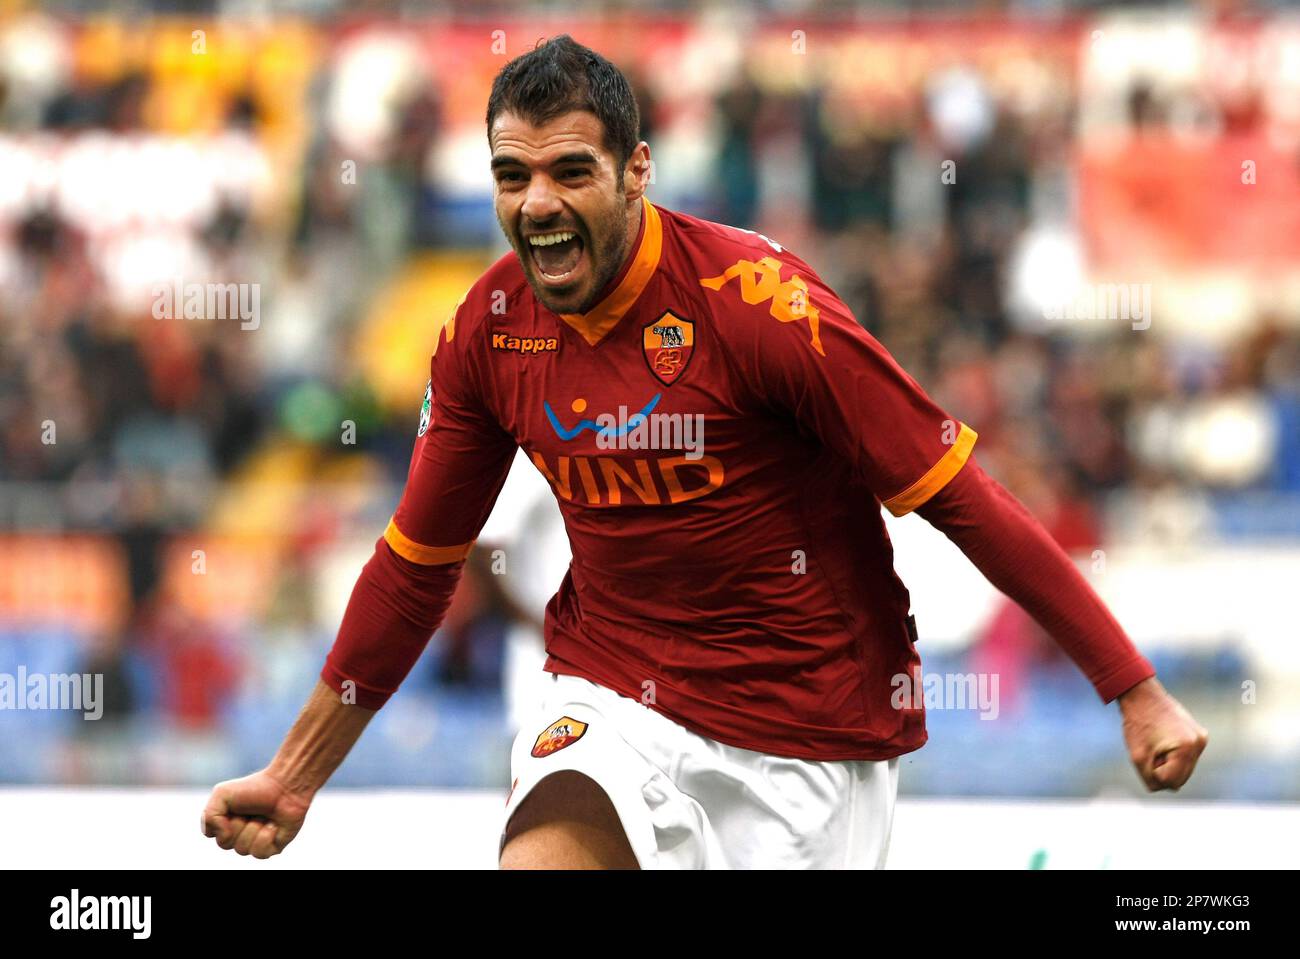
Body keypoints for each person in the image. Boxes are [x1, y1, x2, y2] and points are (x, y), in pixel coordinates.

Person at [201, 35, 1207, 869]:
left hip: (808, 732)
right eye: (512, 176)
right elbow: (414, 568)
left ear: (637, 169)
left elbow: (962, 496)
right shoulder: (489, 329)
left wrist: (1129, 684)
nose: (536, 204)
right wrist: (294, 775)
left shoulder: (761, 305)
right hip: (609, 699)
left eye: (570, 172)